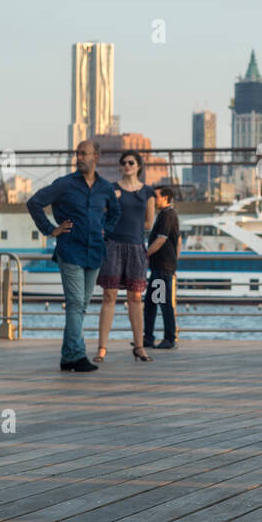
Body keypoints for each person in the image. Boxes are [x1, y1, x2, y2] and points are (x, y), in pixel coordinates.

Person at [27, 139, 120, 371]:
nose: (79, 157)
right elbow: (34, 202)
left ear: (95, 157)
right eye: (77, 153)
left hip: (95, 252)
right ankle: (78, 356)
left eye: (84, 153)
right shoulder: (64, 184)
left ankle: (68, 357)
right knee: (76, 303)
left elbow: (115, 214)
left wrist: (104, 230)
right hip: (70, 250)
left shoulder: (106, 188)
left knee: (82, 304)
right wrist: (51, 230)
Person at [95, 150, 156, 363]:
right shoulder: (112, 189)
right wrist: (114, 204)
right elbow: (102, 215)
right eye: (123, 163)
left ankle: (139, 346)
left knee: (135, 298)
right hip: (113, 245)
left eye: (131, 162)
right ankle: (102, 347)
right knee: (109, 296)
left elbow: (149, 222)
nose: (127, 165)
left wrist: (135, 229)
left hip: (136, 246)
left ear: (138, 165)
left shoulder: (148, 192)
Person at [143, 185, 181, 350]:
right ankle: (148, 337)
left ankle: (169, 338)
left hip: (162, 268)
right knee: (151, 302)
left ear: (165, 197)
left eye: (156, 197)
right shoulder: (167, 215)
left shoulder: (167, 215)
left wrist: (144, 254)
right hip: (161, 267)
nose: (153, 200)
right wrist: (174, 260)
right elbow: (178, 241)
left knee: (163, 302)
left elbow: (161, 239)